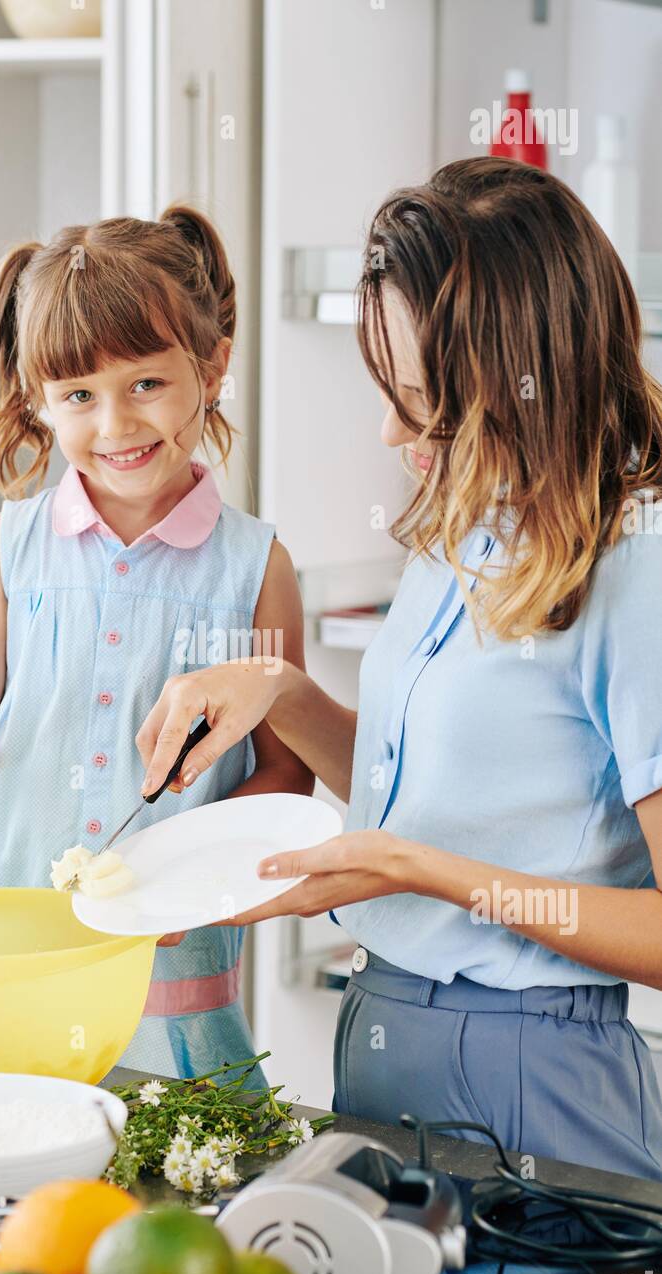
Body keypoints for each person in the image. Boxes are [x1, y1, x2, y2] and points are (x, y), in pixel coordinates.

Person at [137, 158, 662, 1182]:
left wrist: (427, 875)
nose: (391, 430)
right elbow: (418, 804)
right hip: (382, 1032)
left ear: (525, 379)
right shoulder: (462, 524)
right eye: (390, 391)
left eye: (421, 399)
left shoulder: (633, 571)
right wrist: (280, 693)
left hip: (532, 1070)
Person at [0, 206, 312, 1087]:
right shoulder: (2, 552)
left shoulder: (257, 567)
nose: (116, 424)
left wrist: (191, 873)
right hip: (15, 991)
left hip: (175, 1005)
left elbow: (288, 775)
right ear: (37, 401)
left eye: (146, 383)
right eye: (79, 396)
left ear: (212, 369)